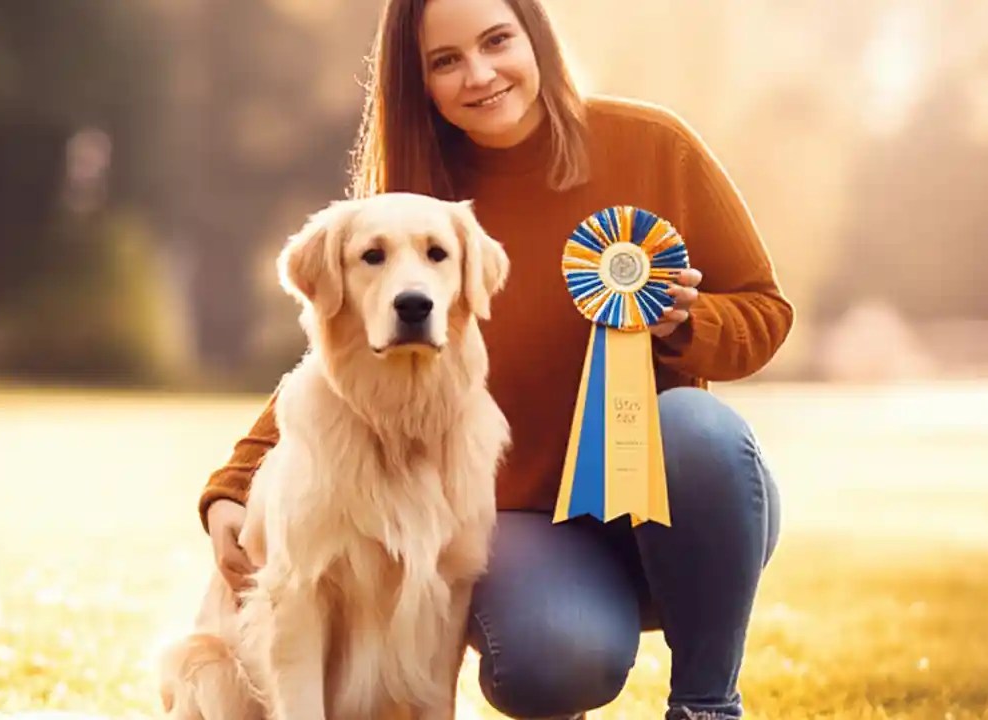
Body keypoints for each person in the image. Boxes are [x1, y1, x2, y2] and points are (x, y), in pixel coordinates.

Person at [200, 0, 793, 717]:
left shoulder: (654, 147)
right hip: (523, 523)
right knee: (550, 657)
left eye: (496, 41)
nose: (479, 74)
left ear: (535, 36)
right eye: (445, 61)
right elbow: (339, 361)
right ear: (416, 82)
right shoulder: (417, 203)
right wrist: (237, 481)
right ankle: (567, 654)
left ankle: (705, 706)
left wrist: (686, 323)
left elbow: (765, 309)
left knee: (697, 429)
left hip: (668, 509)